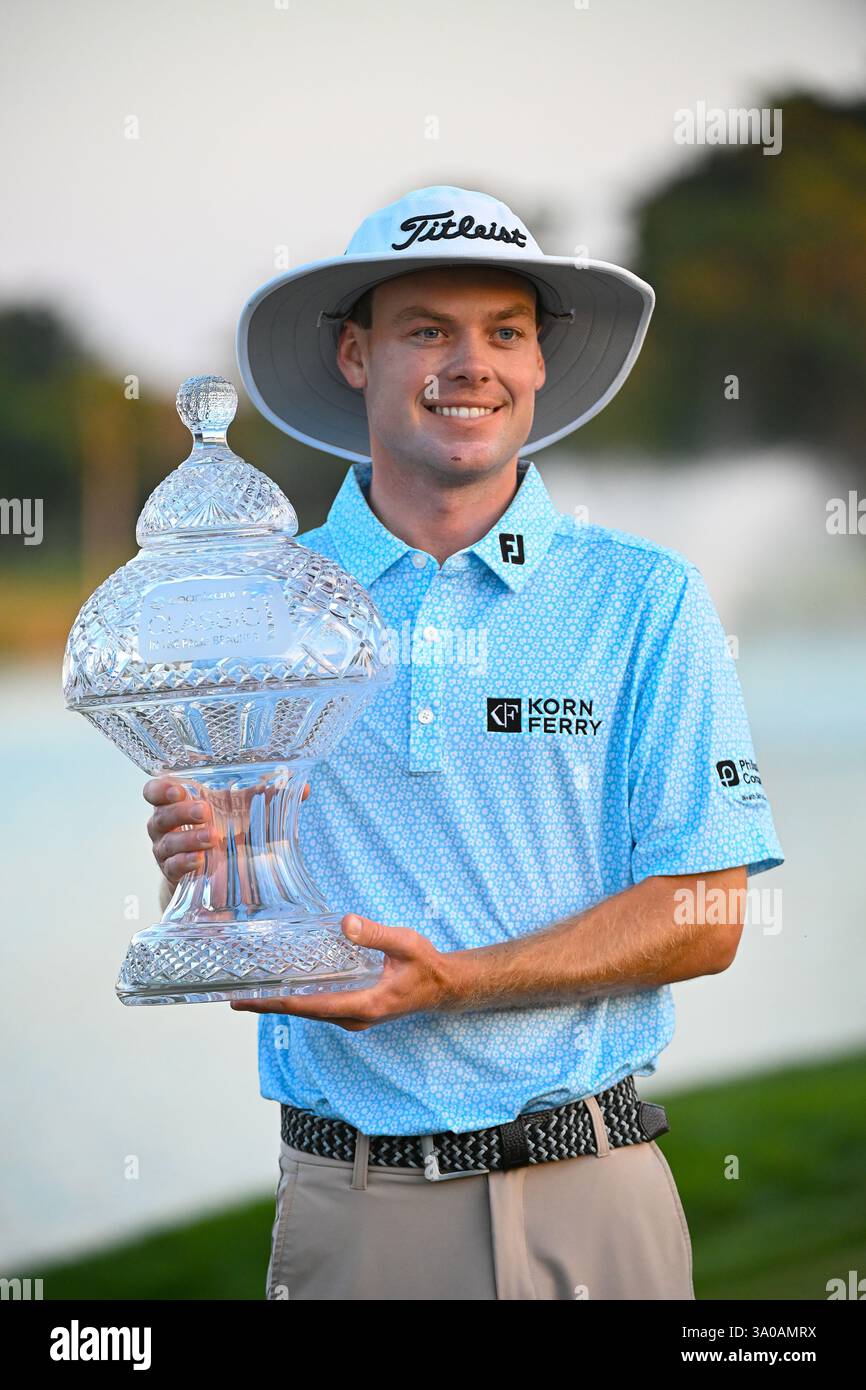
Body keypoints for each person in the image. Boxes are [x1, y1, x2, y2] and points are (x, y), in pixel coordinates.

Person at [144, 186, 785, 1300]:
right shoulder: (260, 600)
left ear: (538, 363)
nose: (468, 363)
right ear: (356, 355)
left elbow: (705, 910)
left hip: (595, 1191)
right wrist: (204, 860)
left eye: (503, 331)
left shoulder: (645, 599)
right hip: (353, 1207)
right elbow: (234, 872)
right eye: (425, 329)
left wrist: (456, 982)